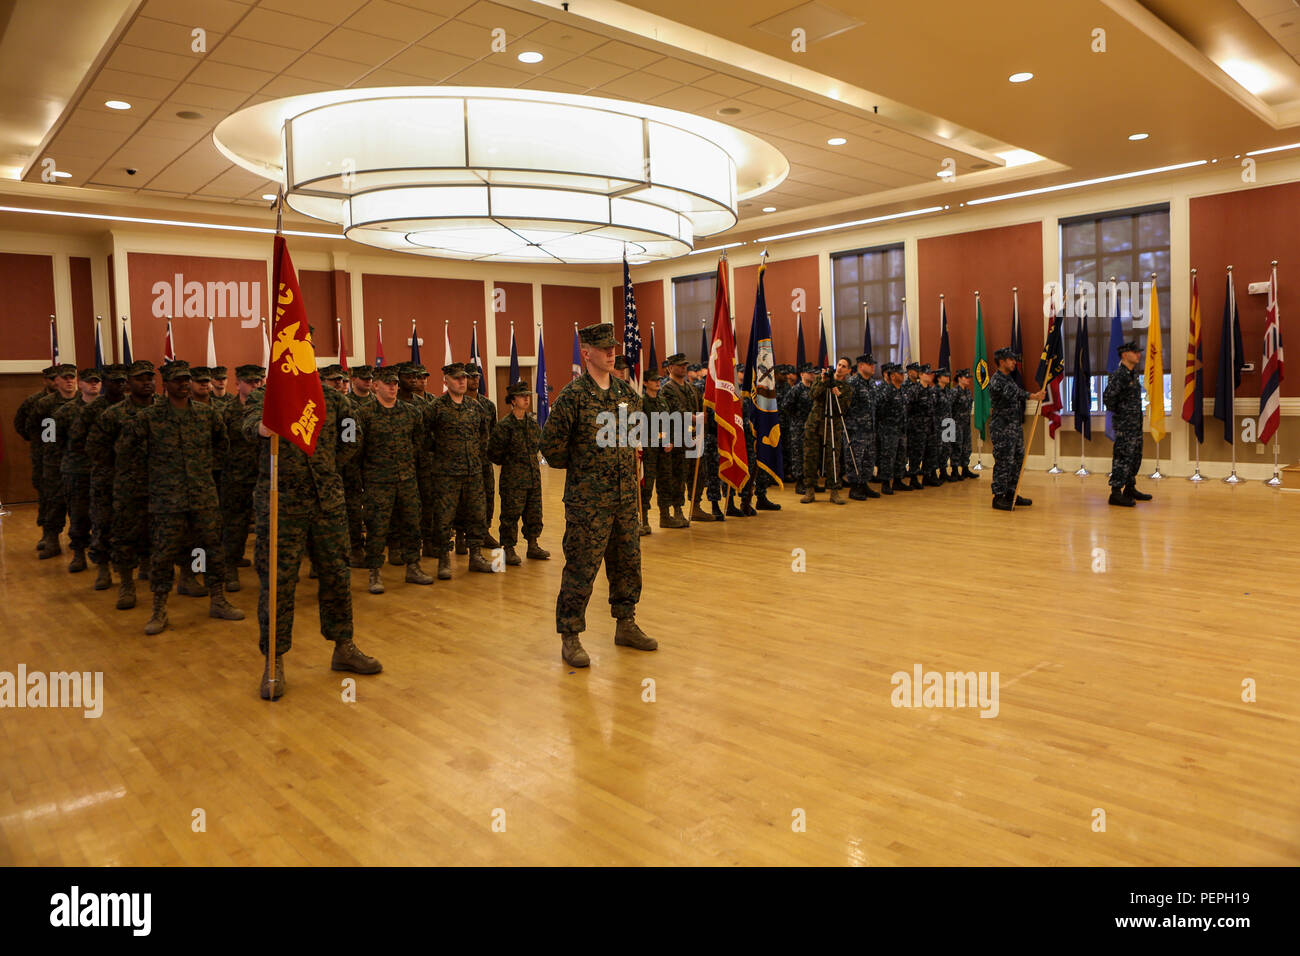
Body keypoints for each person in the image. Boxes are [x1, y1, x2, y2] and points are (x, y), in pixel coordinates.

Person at [244, 374, 381, 701]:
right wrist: (263, 428)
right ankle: (274, 659)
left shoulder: (334, 400)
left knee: (337, 574)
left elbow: (351, 436)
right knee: (278, 581)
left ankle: (343, 645)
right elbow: (248, 425)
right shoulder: (267, 398)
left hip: (327, 501)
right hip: (281, 503)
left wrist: (326, 467)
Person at [540, 322, 654, 668]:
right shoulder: (572, 398)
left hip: (623, 499)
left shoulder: (627, 394)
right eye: (604, 347)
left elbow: (636, 439)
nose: (611, 352)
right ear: (585, 352)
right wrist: (585, 467)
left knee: (627, 564)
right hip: (588, 503)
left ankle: (626, 623)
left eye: (613, 346)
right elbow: (550, 447)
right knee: (581, 568)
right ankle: (571, 635)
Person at [118, 360, 244, 633]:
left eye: (187, 379)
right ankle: (159, 610)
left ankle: (218, 599)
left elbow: (223, 446)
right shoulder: (149, 417)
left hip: (203, 494)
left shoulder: (206, 414)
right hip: (166, 498)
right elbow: (127, 452)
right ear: (166, 384)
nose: (185, 384)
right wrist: (152, 480)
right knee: (163, 554)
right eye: (178, 380)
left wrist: (206, 473)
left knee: (211, 548)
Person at [89, 360, 157, 609]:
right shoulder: (113, 414)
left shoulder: (164, 409)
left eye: (150, 377)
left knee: (158, 532)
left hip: (161, 485)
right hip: (127, 486)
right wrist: (119, 473)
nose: (147, 382)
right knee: (125, 536)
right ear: (129, 383)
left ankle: (151, 570)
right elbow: (97, 449)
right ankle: (126, 583)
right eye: (140, 378)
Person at [356, 365, 431, 591]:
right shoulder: (362, 414)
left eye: (396, 383)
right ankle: (375, 572)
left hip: (407, 479)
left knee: (411, 524)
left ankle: (413, 567)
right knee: (377, 527)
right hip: (377, 482)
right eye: (388, 383)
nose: (393, 387)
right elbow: (354, 450)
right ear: (376, 385)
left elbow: (420, 444)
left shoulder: (412, 413)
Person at [429, 363, 493, 578]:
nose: (462, 381)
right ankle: (444, 560)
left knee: (477, 515)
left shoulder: (475, 407)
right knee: (444, 518)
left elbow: (483, 435)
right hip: (446, 474)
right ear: (446, 380)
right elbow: (424, 439)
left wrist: (476, 458)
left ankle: (476, 556)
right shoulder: (436, 407)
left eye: (464, 378)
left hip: (473, 471)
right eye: (457, 378)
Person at [73, 364, 127, 589]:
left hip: (133, 477)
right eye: (115, 381)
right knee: (102, 523)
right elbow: (78, 441)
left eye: (123, 381)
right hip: (104, 476)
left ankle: (138, 565)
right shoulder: (93, 410)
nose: (120, 385)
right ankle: (103, 568)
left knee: (134, 523)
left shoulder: (135, 408)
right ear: (106, 383)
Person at [487, 380, 548, 565]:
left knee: (534, 513)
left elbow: (538, 446)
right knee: (510, 515)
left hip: (532, 477)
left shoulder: (532, 423)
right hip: (513, 480)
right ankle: (509, 548)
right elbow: (494, 453)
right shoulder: (505, 425)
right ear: (513, 400)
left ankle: (532, 544)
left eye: (527, 396)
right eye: (522, 396)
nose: (526, 399)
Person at [219, 365, 265, 591]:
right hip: (236, 476)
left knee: (266, 523)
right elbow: (218, 444)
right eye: (250, 381)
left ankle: (269, 568)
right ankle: (230, 565)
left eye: (259, 381)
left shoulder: (271, 409)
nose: (256, 385)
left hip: (264, 475)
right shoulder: (227, 411)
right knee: (235, 523)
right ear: (238, 384)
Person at [27, 364, 79, 558]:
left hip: (78, 462)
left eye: (72, 377)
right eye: (64, 377)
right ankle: (51, 540)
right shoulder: (45, 404)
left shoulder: (85, 403)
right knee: (54, 503)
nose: (68, 381)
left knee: (79, 505)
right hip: (53, 462)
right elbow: (31, 427)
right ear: (56, 381)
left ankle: (79, 543)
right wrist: (45, 451)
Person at [989, 348, 1044, 511]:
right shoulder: (997, 380)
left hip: (1014, 427)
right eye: (1011, 359)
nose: (1014, 362)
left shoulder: (1009, 378)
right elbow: (1013, 393)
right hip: (1002, 428)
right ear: (1001, 361)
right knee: (1004, 462)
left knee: (1018, 461)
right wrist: (1033, 396)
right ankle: (998, 497)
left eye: (1014, 359)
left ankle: (1011, 493)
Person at [13, 366, 57, 552]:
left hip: (66, 457)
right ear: (45, 380)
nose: (56, 382)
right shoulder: (34, 402)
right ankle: (48, 534)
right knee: (47, 497)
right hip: (43, 457)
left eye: (59, 378)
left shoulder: (75, 401)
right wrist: (35, 441)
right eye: (52, 378)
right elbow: (20, 423)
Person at [1103, 341, 1151, 507]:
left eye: (1138, 351)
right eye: (1134, 352)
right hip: (1125, 426)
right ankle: (1115, 493)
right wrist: (1122, 413)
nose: (1138, 354)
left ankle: (1129, 488)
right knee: (1123, 458)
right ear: (1125, 355)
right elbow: (1108, 398)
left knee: (1135, 457)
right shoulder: (1119, 375)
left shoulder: (1133, 375)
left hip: (1135, 425)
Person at [801, 358, 853, 504]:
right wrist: (824, 383)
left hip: (832, 426)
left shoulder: (846, 388)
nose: (840, 368)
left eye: (844, 367)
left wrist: (838, 395)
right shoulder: (820, 379)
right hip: (815, 424)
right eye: (839, 365)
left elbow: (843, 409)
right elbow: (812, 395)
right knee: (810, 457)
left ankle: (834, 492)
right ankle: (810, 490)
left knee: (833, 458)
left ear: (848, 371)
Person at [463, 364, 500, 550]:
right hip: (462, 461)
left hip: (484, 460)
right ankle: (462, 535)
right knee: (463, 499)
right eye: (470, 376)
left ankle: (484, 531)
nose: (475, 379)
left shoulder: (488, 405)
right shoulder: (457, 403)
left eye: (477, 376)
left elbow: (494, 433)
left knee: (488, 495)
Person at [657, 353, 695, 528]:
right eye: (679, 365)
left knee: (682, 476)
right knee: (670, 477)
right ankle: (668, 513)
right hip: (672, 438)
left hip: (687, 438)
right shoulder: (667, 389)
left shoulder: (690, 387)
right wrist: (695, 419)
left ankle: (679, 509)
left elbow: (697, 406)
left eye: (685, 365)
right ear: (670, 368)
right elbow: (676, 412)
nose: (683, 368)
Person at [844, 354, 880, 500]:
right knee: (854, 459)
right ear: (860, 366)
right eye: (870, 364)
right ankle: (854, 488)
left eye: (873, 364)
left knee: (868, 459)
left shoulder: (872, 383)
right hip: (856, 430)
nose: (873, 367)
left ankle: (864, 484)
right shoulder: (852, 383)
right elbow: (845, 406)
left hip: (870, 429)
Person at [638, 366, 668, 535]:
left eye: (659, 380)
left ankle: (666, 515)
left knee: (665, 481)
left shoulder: (662, 401)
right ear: (645, 383)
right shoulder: (641, 402)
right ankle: (644, 519)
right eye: (654, 380)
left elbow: (669, 421)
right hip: (648, 448)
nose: (658, 382)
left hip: (663, 449)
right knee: (646, 485)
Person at [779, 364, 813, 494]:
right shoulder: (796, 389)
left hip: (811, 427)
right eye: (808, 373)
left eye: (812, 373)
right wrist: (797, 418)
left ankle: (810, 482)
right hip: (798, 427)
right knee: (799, 455)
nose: (811, 375)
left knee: (810, 455)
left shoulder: (813, 389)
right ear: (802, 374)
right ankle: (799, 482)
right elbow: (786, 406)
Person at [875, 363, 907, 494]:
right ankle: (885, 483)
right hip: (888, 430)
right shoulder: (886, 391)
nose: (903, 376)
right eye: (900, 373)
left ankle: (898, 480)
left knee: (900, 456)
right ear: (893, 376)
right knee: (888, 456)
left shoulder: (902, 390)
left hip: (901, 429)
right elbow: (879, 410)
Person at [952, 369, 978, 480]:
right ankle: (954, 470)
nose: (968, 380)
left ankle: (965, 468)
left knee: (966, 447)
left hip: (966, 423)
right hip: (956, 424)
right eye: (966, 377)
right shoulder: (954, 392)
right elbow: (949, 408)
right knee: (956, 447)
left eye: (969, 378)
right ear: (959, 378)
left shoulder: (967, 391)